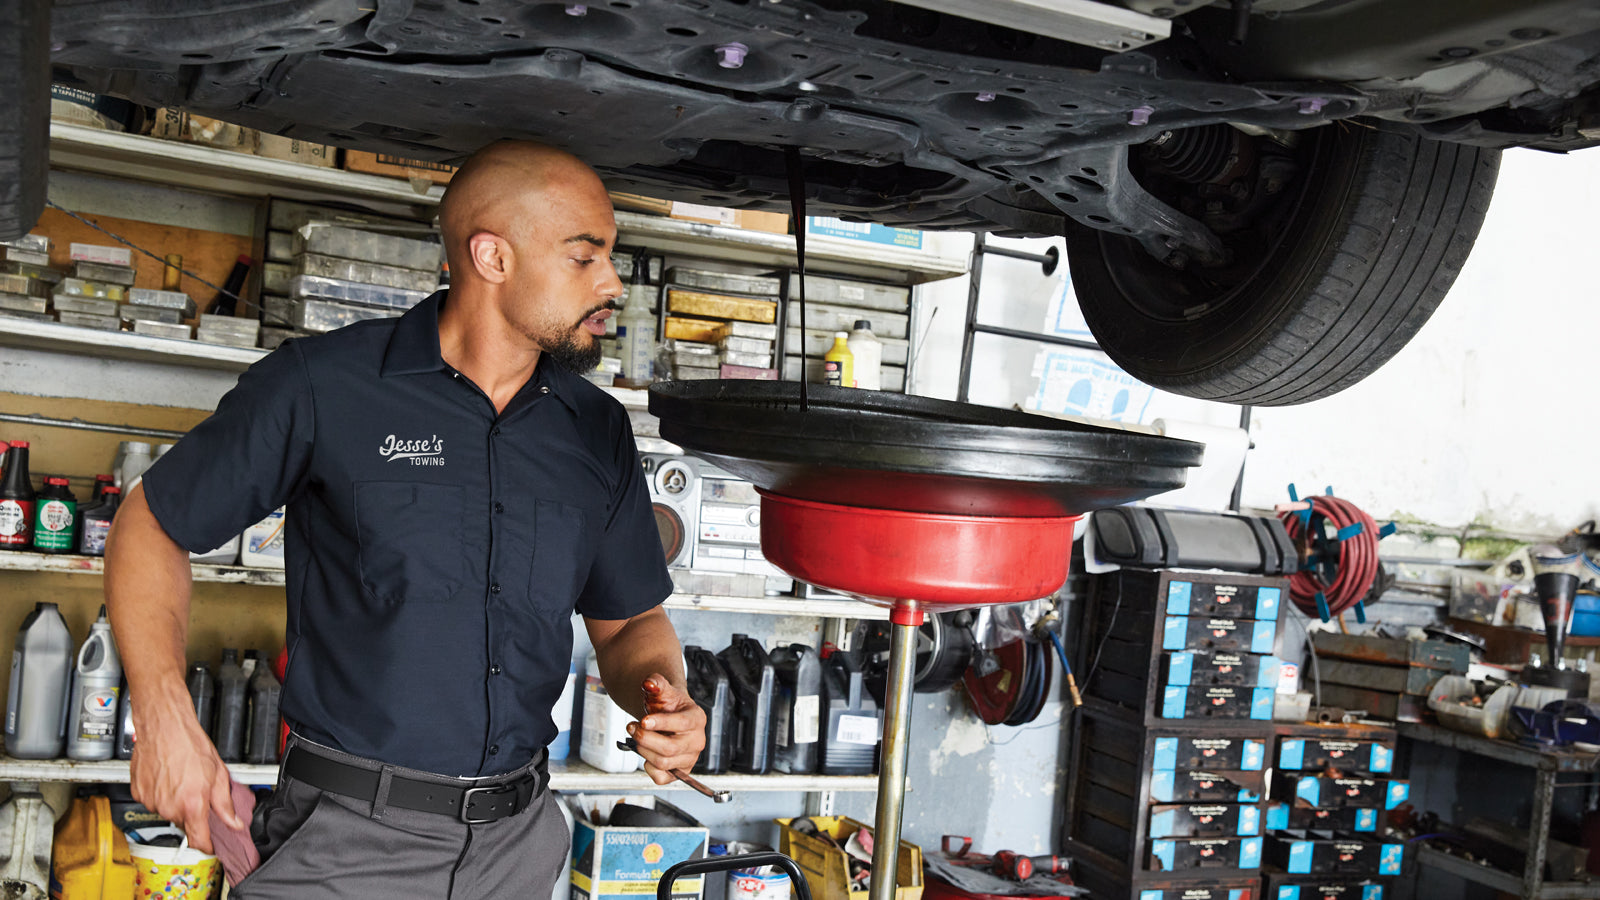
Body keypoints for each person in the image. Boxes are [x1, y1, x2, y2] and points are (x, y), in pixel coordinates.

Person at [103, 140, 707, 898]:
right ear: (492, 257)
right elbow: (151, 525)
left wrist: (665, 695)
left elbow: (628, 622)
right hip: (347, 845)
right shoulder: (325, 386)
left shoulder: (595, 426)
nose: (612, 283)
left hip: (519, 848)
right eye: (585, 258)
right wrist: (164, 717)